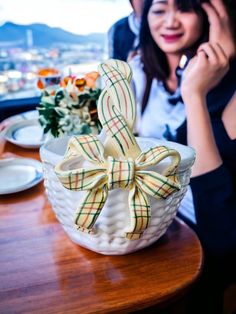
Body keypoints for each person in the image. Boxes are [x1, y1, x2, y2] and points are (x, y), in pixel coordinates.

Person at [129, 0, 236, 312]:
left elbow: (221, 230)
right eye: (159, 10)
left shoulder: (218, 87)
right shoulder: (139, 70)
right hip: (151, 212)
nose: (170, 22)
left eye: (184, 8)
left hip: (198, 234)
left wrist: (195, 93)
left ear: (210, 17)